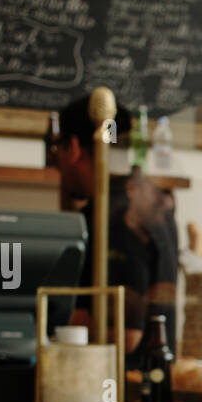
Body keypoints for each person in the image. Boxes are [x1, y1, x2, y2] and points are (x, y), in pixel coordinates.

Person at [55, 95, 178, 364]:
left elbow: (125, 333)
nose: (58, 164)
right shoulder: (155, 200)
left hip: (119, 389)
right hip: (153, 384)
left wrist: (48, 322)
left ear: (73, 147)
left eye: (58, 149)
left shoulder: (110, 212)